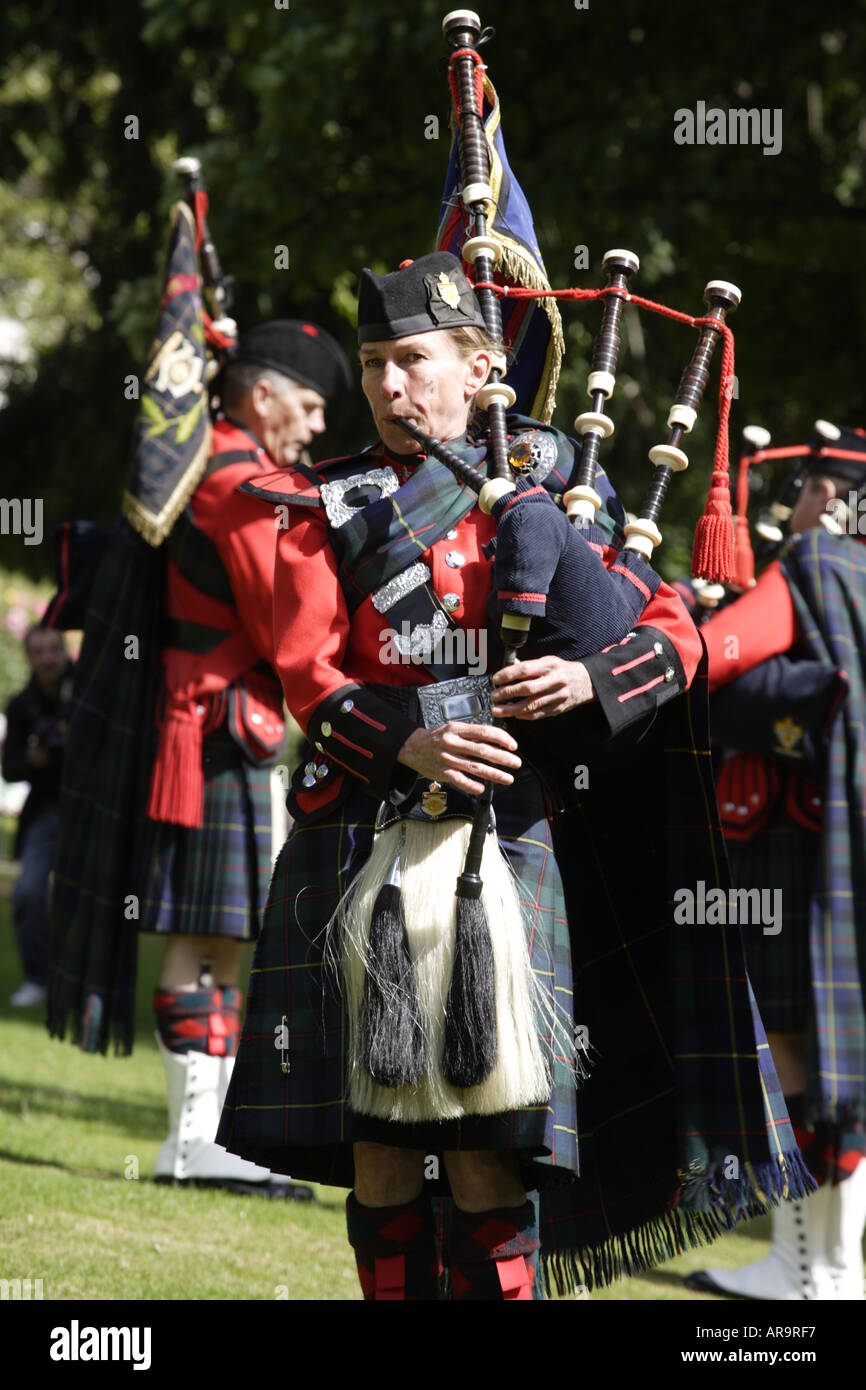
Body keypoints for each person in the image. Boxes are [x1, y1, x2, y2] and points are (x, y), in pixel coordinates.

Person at [216, 253, 809, 1298]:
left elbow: (667, 623)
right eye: (371, 364)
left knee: (491, 1155)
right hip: (362, 840)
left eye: (410, 360)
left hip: (508, 843)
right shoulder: (324, 503)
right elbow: (308, 671)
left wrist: (587, 678)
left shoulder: (549, 489)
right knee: (382, 1153)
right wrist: (404, 739)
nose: (388, 386)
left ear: (480, 365)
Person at [48, 319, 350, 1197]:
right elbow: (285, 619)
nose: (320, 424)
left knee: (215, 938)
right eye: (310, 404)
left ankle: (204, 1139)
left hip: (202, 718)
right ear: (260, 396)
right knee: (209, 937)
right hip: (219, 727)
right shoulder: (239, 481)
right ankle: (192, 1142)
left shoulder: (205, 462)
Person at [689, 421, 866, 1300]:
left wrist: (685, 625)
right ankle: (835, 1267)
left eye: (807, 491)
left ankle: (808, 1270)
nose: (796, 507)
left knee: (796, 1053)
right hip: (845, 835)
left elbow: (722, 665)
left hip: (801, 841)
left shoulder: (814, 569)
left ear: (830, 497)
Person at [2, 626, 73, 1007]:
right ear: (29, 657)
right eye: (39, 651)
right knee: (29, 892)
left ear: (64, 650)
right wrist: (32, 760)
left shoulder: (89, 690)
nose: (48, 658)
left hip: (89, 810)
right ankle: (39, 979)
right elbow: (10, 767)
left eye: (53, 649)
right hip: (44, 810)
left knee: (83, 896)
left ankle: (82, 981)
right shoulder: (21, 705)